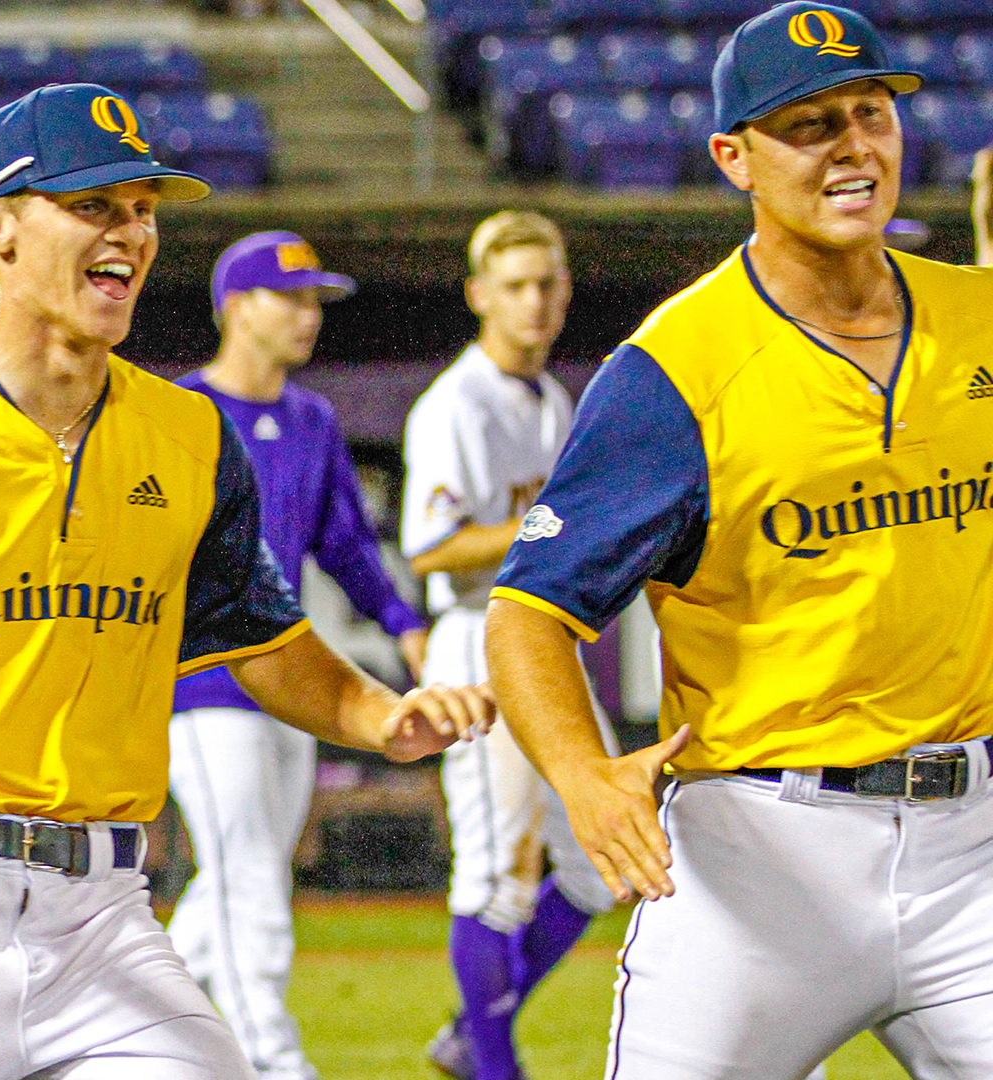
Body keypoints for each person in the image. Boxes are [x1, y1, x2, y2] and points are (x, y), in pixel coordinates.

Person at [0, 82, 493, 1080]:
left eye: (143, 209)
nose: (129, 232)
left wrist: (380, 717)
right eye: (91, 206)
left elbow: (263, 635)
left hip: (103, 916)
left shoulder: (192, 435)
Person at [488, 4, 993, 1075]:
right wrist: (581, 775)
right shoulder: (673, 372)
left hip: (973, 849)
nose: (856, 145)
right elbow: (529, 614)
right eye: (809, 125)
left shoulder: (980, 320)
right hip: (759, 850)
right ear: (735, 159)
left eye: (872, 113)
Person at [165, 229, 427, 1080]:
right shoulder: (179, 415)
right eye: (293, 296)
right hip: (200, 685)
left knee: (248, 874)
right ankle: (271, 1060)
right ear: (238, 307)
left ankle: (122, 1014)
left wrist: (400, 619)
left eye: (317, 299)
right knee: (248, 876)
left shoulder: (311, 420)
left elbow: (345, 543)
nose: (310, 315)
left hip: (289, 677)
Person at [400, 210, 614, 1080]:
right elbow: (430, 548)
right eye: (516, 285)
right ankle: (493, 1066)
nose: (534, 302)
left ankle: (471, 1035)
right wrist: (546, 523)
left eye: (548, 284)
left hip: (542, 641)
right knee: (495, 876)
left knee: (601, 864)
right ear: (480, 295)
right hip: (476, 641)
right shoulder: (456, 401)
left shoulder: (553, 397)